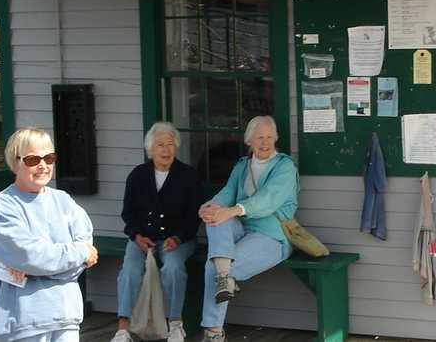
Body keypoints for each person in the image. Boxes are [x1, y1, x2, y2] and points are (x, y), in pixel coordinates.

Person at [0, 128, 99, 342]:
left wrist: (36, 270)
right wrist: (74, 256)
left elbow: (87, 251)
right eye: (33, 159)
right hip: (21, 321)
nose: (43, 165)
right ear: (15, 162)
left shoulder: (64, 200)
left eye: (49, 158)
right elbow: (31, 256)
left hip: (65, 315)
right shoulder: (1, 206)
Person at [197, 115, 299, 342]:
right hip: (241, 231)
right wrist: (209, 206)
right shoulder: (243, 165)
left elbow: (268, 200)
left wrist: (232, 211)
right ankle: (226, 277)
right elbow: (227, 193)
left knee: (213, 266)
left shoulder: (285, 167)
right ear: (249, 141)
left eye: (270, 137)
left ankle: (213, 333)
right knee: (215, 216)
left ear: (276, 139)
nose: (265, 142)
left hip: (272, 236)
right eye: (260, 137)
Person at [111, 122, 203, 342]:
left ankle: (175, 325)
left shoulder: (188, 175)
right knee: (130, 271)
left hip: (178, 240)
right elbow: (128, 213)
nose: (166, 150)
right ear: (150, 149)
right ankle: (123, 329)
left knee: (173, 268)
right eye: (160, 145)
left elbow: (193, 216)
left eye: (170, 144)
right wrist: (136, 236)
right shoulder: (138, 175)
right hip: (141, 239)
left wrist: (178, 237)